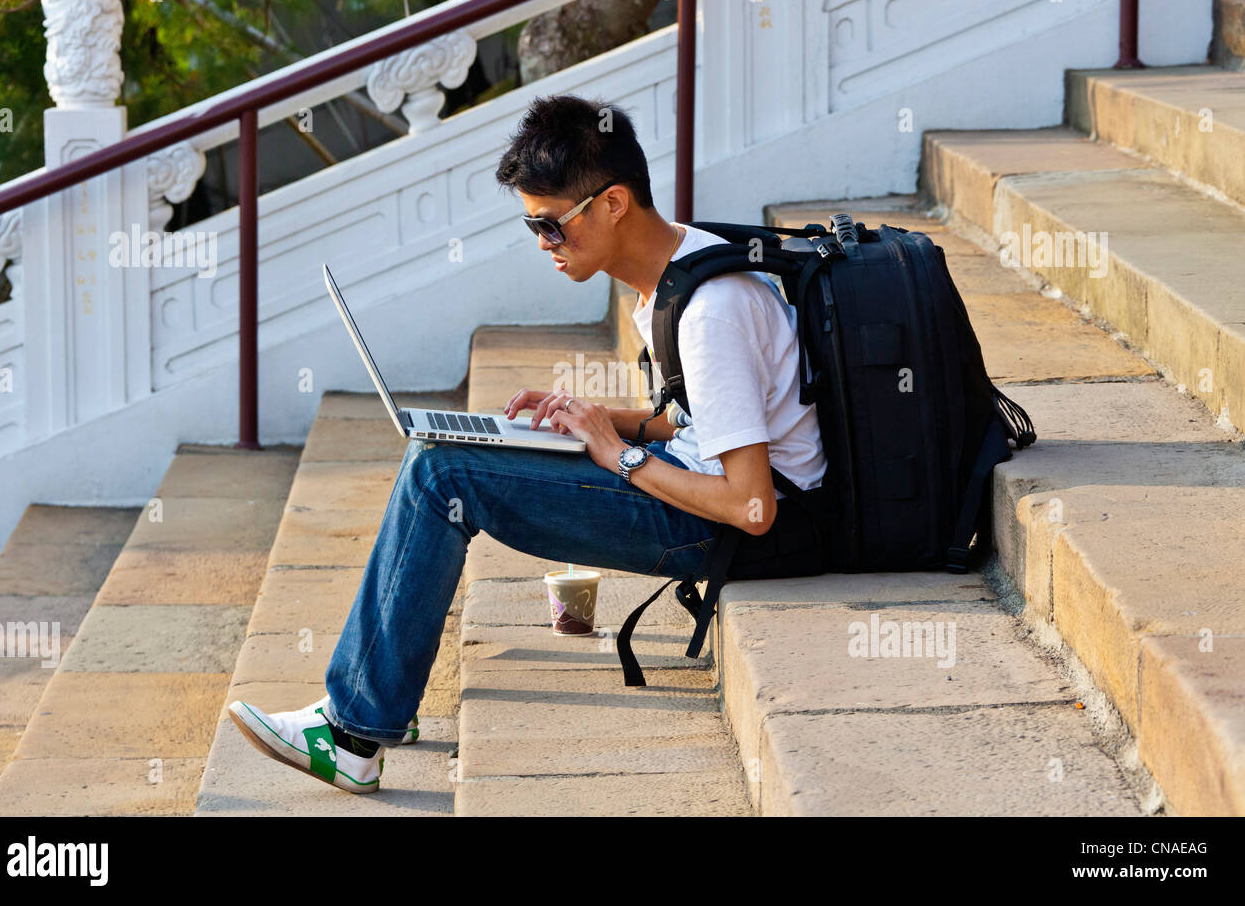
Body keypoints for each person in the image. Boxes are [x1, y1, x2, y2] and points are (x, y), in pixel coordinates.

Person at [227, 94, 824, 793]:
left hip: (721, 530)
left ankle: (357, 734)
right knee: (440, 457)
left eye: (551, 225)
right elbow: (704, 424)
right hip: (691, 484)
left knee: (442, 477)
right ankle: (382, 690)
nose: (543, 244)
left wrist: (617, 455)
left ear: (614, 204)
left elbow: (752, 506)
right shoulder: (679, 266)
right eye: (531, 225)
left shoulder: (710, 312)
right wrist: (600, 418)